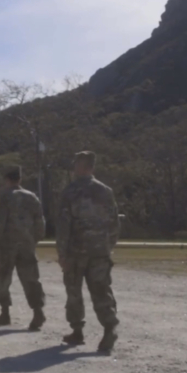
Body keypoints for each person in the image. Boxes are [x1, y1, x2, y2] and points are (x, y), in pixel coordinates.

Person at [56, 151, 121, 354]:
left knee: (74, 292)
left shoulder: (71, 191)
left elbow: (63, 225)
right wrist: (108, 246)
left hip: (76, 252)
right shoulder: (105, 191)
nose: (74, 168)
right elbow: (114, 223)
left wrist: (62, 253)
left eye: (77, 164)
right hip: (100, 252)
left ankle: (77, 330)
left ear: (84, 166)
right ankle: (109, 329)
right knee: (101, 291)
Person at [0, 166, 47, 330]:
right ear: (20, 179)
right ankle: (38, 312)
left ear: (6, 179)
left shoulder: (5, 197)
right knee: (31, 279)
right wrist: (33, 240)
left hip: (7, 245)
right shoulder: (32, 197)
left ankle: (5, 312)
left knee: (4, 279)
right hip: (27, 245)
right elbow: (40, 223)